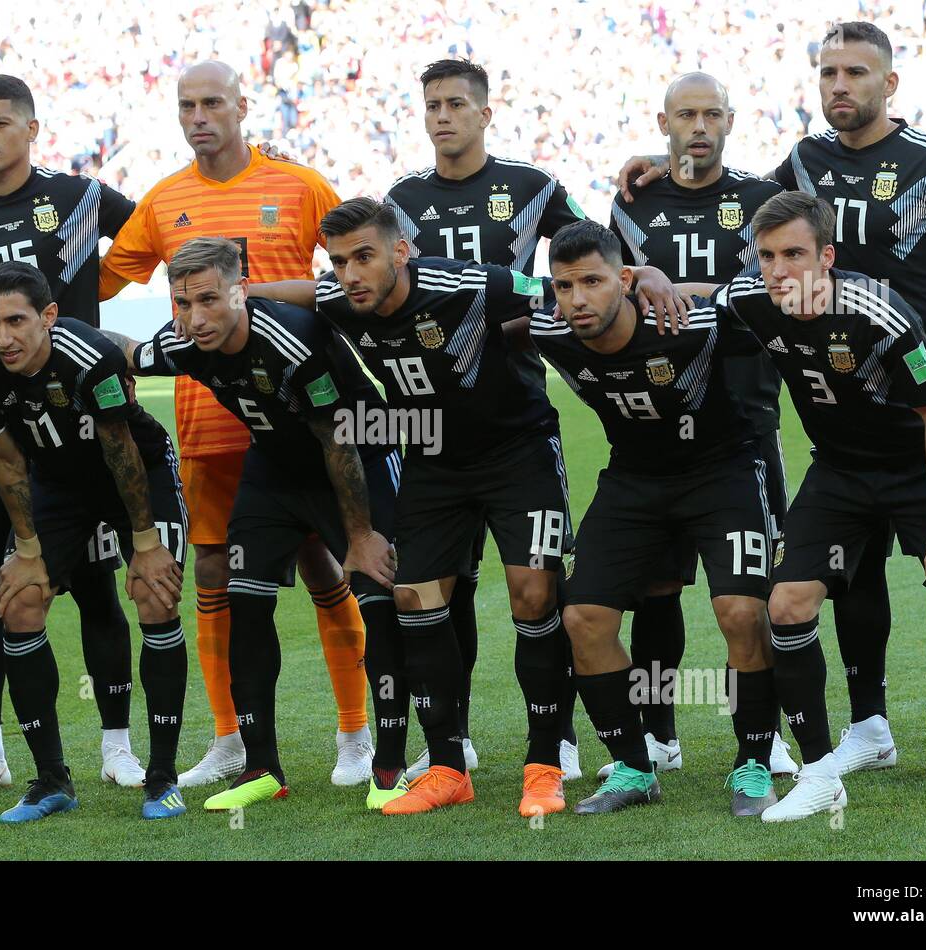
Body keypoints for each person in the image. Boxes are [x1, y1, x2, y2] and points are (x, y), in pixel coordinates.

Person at [618, 22, 926, 779]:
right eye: (828, 72)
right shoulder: (800, 160)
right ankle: (868, 724)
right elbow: (741, 209)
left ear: (887, 84)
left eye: (855, 72)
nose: (838, 85)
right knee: (850, 576)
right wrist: (663, 169)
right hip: (838, 393)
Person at [254, 196, 688, 816]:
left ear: (401, 252)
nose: (350, 274)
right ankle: (449, 767)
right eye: (340, 260)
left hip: (520, 455)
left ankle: (544, 764)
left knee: (533, 595)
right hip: (434, 461)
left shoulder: (468, 283)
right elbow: (305, 291)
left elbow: (558, 288)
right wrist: (242, 292)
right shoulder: (342, 298)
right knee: (414, 598)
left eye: (365, 257)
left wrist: (646, 275)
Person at [100, 61, 373, 788]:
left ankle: (356, 734)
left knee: (329, 569)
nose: (199, 116)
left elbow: (355, 265)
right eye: (186, 104)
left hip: (302, 420)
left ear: (242, 106)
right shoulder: (162, 201)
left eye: (213, 102)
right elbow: (95, 280)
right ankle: (229, 738)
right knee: (216, 581)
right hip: (208, 429)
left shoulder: (299, 186)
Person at [698, 191, 926, 823]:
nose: (779, 270)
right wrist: (647, 278)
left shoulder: (877, 311)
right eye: (768, 255)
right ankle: (817, 773)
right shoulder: (753, 298)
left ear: (827, 257)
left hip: (919, 465)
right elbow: (700, 298)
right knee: (787, 603)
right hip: (840, 471)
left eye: (795, 255)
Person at [103, 237, 412, 810]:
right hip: (273, 467)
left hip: (354, 455)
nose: (195, 319)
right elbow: (128, 355)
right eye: (181, 303)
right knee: (243, 600)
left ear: (240, 291)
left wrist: (363, 536)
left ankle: (388, 763)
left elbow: (337, 439)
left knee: (378, 593)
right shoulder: (185, 340)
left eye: (209, 300)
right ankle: (261, 766)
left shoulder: (291, 340)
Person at [0, 74, 146, 793]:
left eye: (0, 122)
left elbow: (154, 236)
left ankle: (116, 745)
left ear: (31, 128)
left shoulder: (78, 198)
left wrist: (110, 330)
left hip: (79, 426)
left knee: (100, 593)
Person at [530, 221, 779, 816]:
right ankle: (634, 769)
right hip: (634, 480)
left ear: (621, 279)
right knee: (584, 617)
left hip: (723, 472)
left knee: (742, 612)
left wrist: (657, 278)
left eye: (593, 282)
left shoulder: (691, 323)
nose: (578, 300)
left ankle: (753, 762)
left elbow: (759, 292)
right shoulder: (549, 323)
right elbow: (473, 292)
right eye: (565, 287)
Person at [384, 58, 585, 781]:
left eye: (455, 104)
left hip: (517, 423)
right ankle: (452, 741)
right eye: (432, 104)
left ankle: (555, 737)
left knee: (535, 586)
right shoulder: (401, 201)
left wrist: (515, 317)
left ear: (483, 113)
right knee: (435, 589)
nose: (442, 115)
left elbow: (584, 264)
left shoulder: (531, 188)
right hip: (431, 433)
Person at [601, 71, 796, 780]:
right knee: (657, 589)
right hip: (653, 419)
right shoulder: (632, 201)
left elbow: (777, 288)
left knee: (755, 587)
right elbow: (608, 286)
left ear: (731, 120)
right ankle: (659, 734)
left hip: (743, 414)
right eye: (686, 114)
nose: (699, 126)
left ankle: (763, 731)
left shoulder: (758, 200)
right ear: (664, 120)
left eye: (712, 113)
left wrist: (684, 291)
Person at [0, 263, 190, 821]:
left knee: (155, 594)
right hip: (57, 485)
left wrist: (146, 540)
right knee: (19, 601)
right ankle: (51, 781)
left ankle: (161, 778)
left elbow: (121, 448)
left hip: (137, 472)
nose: (3, 337)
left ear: (49, 317)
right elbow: (7, 460)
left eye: (16, 321)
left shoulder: (89, 357)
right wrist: (29, 550)